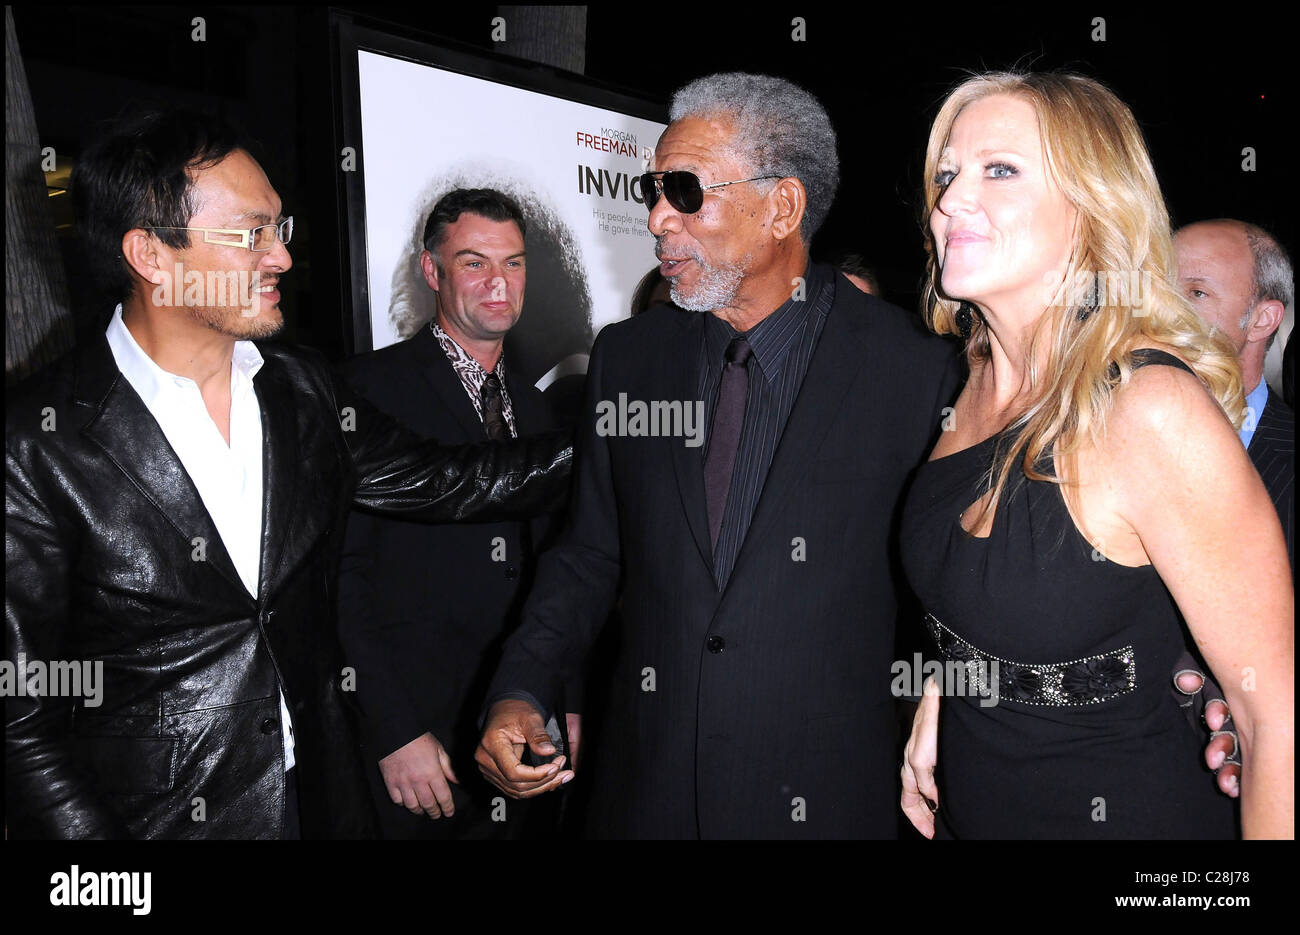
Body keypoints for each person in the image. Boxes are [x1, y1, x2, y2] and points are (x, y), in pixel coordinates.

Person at [4, 111, 571, 840]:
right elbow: (22, 722)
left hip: (325, 803)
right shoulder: (37, 441)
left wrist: (614, 444)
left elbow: (449, 481)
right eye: (250, 235)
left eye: (281, 230)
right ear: (151, 255)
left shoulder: (300, 388)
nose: (281, 259)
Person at [476, 72, 964, 839]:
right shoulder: (629, 357)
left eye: (685, 191)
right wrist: (521, 684)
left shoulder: (918, 372)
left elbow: (953, 594)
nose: (659, 218)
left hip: (827, 802)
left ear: (783, 206)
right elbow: (590, 556)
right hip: (644, 795)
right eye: (652, 191)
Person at [898, 72, 1293, 839]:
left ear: (1091, 208)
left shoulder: (1148, 409)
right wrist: (946, 688)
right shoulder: (974, 376)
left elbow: (1274, 713)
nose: (949, 200)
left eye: (999, 170)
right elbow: (992, 598)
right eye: (946, 173)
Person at [336, 189, 573, 839]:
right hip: (420, 740)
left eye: (515, 262)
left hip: (524, 731)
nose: (499, 281)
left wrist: (568, 699)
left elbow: (567, 563)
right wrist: (394, 730)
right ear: (432, 271)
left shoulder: (545, 408)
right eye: (474, 262)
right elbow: (340, 580)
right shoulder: (366, 391)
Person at [1173, 220, 1293, 570]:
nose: (1161, 311)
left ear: (1261, 320)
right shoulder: (1090, 437)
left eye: (1196, 293)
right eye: (1159, 290)